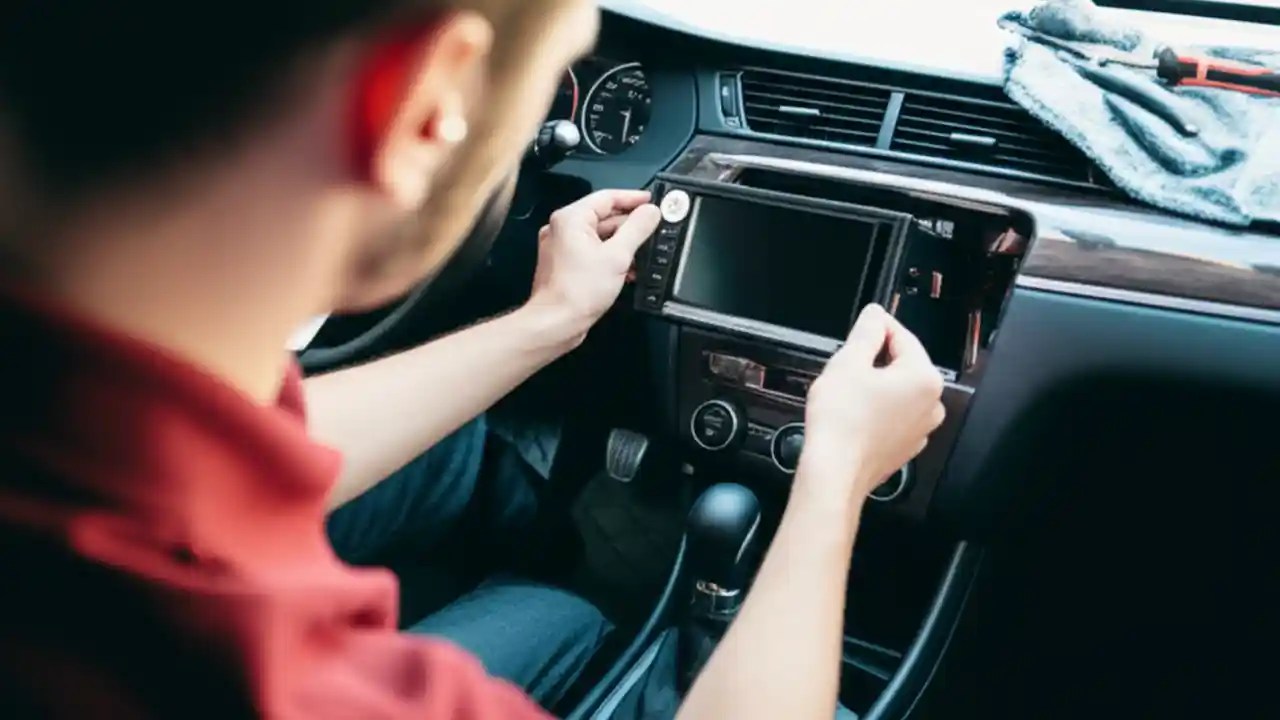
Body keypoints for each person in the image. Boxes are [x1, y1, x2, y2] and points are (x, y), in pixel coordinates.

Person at [0, 0, 944, 718]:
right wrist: (834, 483)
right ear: (422, 103)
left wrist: (542, 325)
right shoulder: (279, 679)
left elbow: (213, 454)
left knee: (462, 463)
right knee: (565, 613)